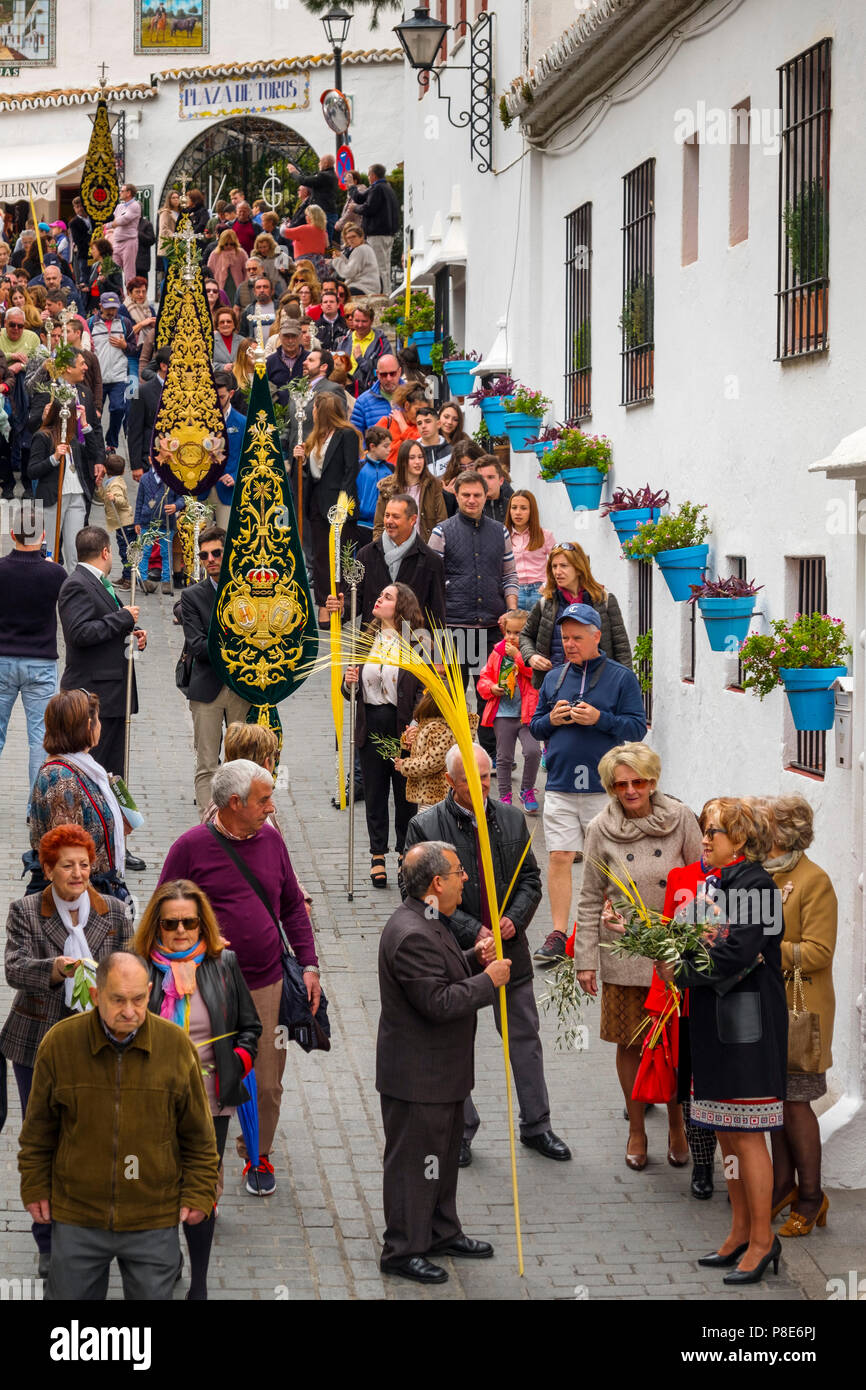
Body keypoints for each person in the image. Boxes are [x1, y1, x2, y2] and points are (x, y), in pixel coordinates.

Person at [159, 760, 321, 1197]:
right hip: (208, 988)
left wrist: (309, 965)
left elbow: (291, 904)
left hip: (268, 984)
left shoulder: (271, 840)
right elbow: (163, 911)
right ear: (234, 803)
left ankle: (258, 1152)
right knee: (206, 1080)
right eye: (264, 799)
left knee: (267, 1082)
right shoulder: (190, 847)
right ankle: (198, 1165)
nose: (272, 807)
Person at [19, 950, 220, 1301]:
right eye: (118, 1000)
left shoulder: (175, 1047)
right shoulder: (60, 1044)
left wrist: (200, 1191)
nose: (130, 1011)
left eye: (139, 999)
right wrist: (34, 1184)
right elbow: (38, 1130)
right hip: (77, 1215)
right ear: (96, 996)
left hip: (153, 1217)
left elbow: (200, 1137)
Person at [404, 745, 571, 1166]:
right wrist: (474, 931)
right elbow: (418, 895)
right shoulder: (425, 827)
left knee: (525, 1040)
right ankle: (461, 1129)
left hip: (509, 952)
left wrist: (511, 922)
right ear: (449, 782)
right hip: (453, 954)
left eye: (484, 777)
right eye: (470, 780)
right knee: (455, 1046)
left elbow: (530, 880)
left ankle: (537, 1125)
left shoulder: (513, 817)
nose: (481, 786)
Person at [658, 798, 787, 1285]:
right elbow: (696, 935)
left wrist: (681, 970)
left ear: (743, 839)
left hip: (747, 1031)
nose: (705, 839)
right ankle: (737, 1233)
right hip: (716, 1025)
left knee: (749, 1136)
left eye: (714, 832)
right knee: (727, 1134)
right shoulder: (720, 882)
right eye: (704, 830)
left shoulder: (757, 885)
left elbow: (737, 953)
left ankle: (761, 1241)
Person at [1, 824, 132, 1274]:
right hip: (35, 1042)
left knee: (94, 1137)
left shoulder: (114, 911)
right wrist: (55, 969)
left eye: (84, 864)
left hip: (100, 1043)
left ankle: (91, 1231)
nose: (78, 873)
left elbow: (131, 967)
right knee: (44, 1137)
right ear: (49, 869)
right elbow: (15, 970)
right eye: (67, 865)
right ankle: (48, 1241)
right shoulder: (25, 911)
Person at [377, 840, 509, 1283]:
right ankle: (402, 1249)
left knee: (443, 1155)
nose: (465, 879)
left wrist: (474, 959)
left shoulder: (429, 918)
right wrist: (488, 981)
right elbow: (436, 1000)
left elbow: (442, 971)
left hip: (441, 1073)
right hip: (418, 1076)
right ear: (437, 883)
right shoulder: (412, 932)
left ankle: (439, 1230)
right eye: (458, 873)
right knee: (415, 1161)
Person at [574, 743, 703, 1170]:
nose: (631, 791)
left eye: (639, 782)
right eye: (621, 783)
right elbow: (591, 898)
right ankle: (635, 1127)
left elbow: (703, 883)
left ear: (653, 781)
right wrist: (586, 960)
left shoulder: (681, 818)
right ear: (611, 787)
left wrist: (691, 941)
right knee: (630, 1044)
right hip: (624, 956)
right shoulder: (599, 827)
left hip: (672, 955)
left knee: (673, 1045)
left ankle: (676, 1124)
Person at [134, 880, 262, 1299]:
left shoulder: (224, 963)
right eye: (170, 924)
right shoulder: (138, 968)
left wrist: (235, 1065)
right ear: (157, 926)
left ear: (201, 922)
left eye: (189, 922)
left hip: (210, 1101)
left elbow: (250, 1028)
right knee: (158, 1185)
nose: (181, 931)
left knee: (200, 1188)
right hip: (152, 1101)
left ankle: (201, 1284)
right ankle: (166, 1261)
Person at [529, 602, 646, 964]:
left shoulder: (621, 677)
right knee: (560, 856)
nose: (569, 643)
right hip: (561, 784)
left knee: (607, 862)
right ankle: (559, 934)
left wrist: (600, 718)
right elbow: (534, 726)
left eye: (577, 637)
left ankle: (606, 925)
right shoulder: (554, 676)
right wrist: (553, 718)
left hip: (603, 788)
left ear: (597, 636)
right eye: (565, 637)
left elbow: (637, 728)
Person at [765, 795, 837, 1238]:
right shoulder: (764, 874)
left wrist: (766, 950)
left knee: (796, 1103)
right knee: (776, 1104)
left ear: (783, 832)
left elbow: (819, 951)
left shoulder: (814, 880)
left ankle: (812, 1197)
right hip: (770, 1006)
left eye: (765, 824)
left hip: (802, 1011)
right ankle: (781, 1187)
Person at [428, 470, 519, 762]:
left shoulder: (500, 531)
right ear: (456, 495)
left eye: (477, 495)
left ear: (486, 496)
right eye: (465, 494)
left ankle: (491, 755)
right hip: (453, 627)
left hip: (490, 628)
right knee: (453, 696)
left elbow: (509, 575)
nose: (471, 500)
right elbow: (431, 584)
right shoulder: (442, 532)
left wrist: (512, 612)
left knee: (489, 695)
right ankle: (453, 754)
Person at [344, 583, 426, 886]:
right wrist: (348, 681)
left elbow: (422, 689)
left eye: (387, 597)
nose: (379, 598)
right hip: (370, 723)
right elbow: (351, 690)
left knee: (404, 793)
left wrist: (415, 725)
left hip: (400, 724)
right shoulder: (366, 639)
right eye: (380, 594)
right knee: (375, 792)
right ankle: (377, 854)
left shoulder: (416, 643)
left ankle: (406, 852)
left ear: (401, 606)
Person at [58, 526, 147, 783]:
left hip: (114, 695)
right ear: (106, 551)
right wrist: (123, 618)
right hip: (95, 694)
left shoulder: (99, 583)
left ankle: (112, 820)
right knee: (95, 771)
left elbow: (107, 621)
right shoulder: (77, 585)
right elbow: (79, 633)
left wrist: (135, 631)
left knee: (112, 771)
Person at [29, 687, 136, 886]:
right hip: (78, 897)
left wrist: (114, 825)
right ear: (89, 725)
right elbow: (68, 858)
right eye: (98, 719)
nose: (100, 726)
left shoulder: (84, 767)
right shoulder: (61, 778)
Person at [178, 526, 251, 810]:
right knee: (207, 762)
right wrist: (237, 639)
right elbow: (197, 646)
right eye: (204, 554)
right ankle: (209, 826)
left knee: (241, 761)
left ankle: (239, 818)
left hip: (241, 685)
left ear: (228, 552)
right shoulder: (192, 596)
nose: (210, 559)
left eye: (216, 553)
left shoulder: (248, 589)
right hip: (205, 689)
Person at [0, 510, 66, 801]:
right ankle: (36, 806)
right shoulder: (54, 573)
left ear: (12, 534)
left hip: (2, 658)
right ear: (42, 537)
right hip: (40, 661)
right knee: (40, 738)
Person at [520, 542, 632, 689]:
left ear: (579, 568)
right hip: (556, 686)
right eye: (554, 566)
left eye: (564, 566)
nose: (557, 572)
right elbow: (525, 635)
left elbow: (621, 646)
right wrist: (531, 656)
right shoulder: (546, 602)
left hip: (599, 684)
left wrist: (627, 685)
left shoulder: (604, 599)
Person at [293, 391, 361, 622]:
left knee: (341, 558)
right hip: (317, 506)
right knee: (321, 557)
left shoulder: (347, 435)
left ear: (321, 411)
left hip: (339, 506)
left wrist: (343, 503)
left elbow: (351, 470)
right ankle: (323, 603)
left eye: (314, 408)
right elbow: (308, 475)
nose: (312, 411)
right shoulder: (314, 438)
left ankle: (341, 604)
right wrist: (299, 459)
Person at [476, 608, 541, 811]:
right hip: (503, 713)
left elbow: (535, 674)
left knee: (533, 751)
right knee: (503, 758)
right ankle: (505, 798)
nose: (512, 637)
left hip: (527, 715)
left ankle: (527, 790)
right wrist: (491, 688)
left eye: (518, 633)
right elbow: (484, 677)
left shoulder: (532, 653)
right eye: (509, 632)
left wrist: (519, 656)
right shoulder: (497, 652)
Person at [355, 493, 446, 627]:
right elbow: (355, 597)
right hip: (371, 641)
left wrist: (436, 646)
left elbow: (437, 613)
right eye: (387, 515)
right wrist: (341, 607)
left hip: (413, 642)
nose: (389, 521)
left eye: (396, 517)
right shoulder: (366, 554)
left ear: (412, 520)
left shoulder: (431, 561)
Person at [27, 397, 96, 571]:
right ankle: (46, 585)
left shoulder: (72, 438)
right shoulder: (42, 436)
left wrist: (85, 424)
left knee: (75, 550)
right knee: (49, 548)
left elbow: (93, 453)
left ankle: (73, 589)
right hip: (53, 497)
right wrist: (54, 458)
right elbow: (32, 470)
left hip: (77, 497)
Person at [394, 690, 479, 809]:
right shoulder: (444, 726)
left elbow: (432, 762)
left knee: (428, 824)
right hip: (435, 795)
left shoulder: (439, 729)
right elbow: (433, 751)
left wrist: (406, 765)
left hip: (435, 794)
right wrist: (411, 744)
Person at [372, 438, 447, 543]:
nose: (418, 462)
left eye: (420, 457)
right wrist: (379, 553)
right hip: (394, 549)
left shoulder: (434, 486)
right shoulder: (387, 488)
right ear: (403, 462)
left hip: (425, 549)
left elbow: (442, 523)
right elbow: (379, 526)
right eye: (412, 458)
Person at [88, 292, 129, 450]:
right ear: (100, 306)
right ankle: (96, 445)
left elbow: (134, 348)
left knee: (119, 408)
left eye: (114, 308)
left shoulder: (125, 322)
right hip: (98, 378)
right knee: (95, 413)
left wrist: (125, 346)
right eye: (108, 308)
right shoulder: (91, 323)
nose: (111, 312)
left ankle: (111, 443)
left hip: (118, 376)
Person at [349, 164, 400, 292]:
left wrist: (355, 208)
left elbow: (369, 208)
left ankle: (382, 294)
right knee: (385, 266)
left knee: (379, 266)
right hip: (388, 233)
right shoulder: (387, 188)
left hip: (377, 233)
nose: (368, 176)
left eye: (369, 174)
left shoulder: (377, 189)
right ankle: (386, 292)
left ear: (373, 175)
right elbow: (361, 198)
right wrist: (352, 187)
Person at [133, 461, 181, 595]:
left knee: (166, 553)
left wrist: (175, 506)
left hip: (166, 523)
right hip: (147, 521)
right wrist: (137, 521)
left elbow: (182, 498)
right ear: (150, 459)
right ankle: (142, 579)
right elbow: (139, 501)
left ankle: (166, 581)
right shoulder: (145, 478)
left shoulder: (172, 478)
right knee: (145, 552)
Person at [506, 489, 556, 610]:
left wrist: (547, 584)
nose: (518, 512)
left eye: (523, 508)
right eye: (514, 507)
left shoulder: (545, 535)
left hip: (540, 591)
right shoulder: (502, 536)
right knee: (517, 628)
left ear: (531, 511)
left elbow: (558, 562)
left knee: (541, 628)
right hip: (515, 592)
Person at [126, 345, 169, 481]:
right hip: (151, 459)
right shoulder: (144, 391)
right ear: (163, 366)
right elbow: (135, 430)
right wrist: (136, 465)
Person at [95, 451, 137, 590]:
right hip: (120, 523)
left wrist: (115, 499)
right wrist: (100, 486)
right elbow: (103, 498)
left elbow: (122, 502)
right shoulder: (111, 482)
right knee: (124, 550)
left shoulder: (115, 485)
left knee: (127, 551)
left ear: (106, 470)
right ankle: (126, 575)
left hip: (124, 523)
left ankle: (130, 578)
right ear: (124, 471)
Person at [286, 154, 341, 241]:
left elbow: (304, 181)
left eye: (320, 162)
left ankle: (328, 254)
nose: (318, 164)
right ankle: (327, 254)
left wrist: (293, 172)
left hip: (324, 214)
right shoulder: (331, 175)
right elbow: (309, 181)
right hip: (328, 213)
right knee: (325, 240)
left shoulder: (324, 176)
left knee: (324, 241)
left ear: (326, 163)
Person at [338, 302, 389, 395]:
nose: (360, 325)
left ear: (372, 321)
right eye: (357, 321)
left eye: (364, 321)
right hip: (346, 392)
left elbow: (383, 372)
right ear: (352, 320)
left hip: (370, 392)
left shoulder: (381, 342)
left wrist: (360, 360)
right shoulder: (344, 342)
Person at [355, 425, 393, 538]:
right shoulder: (358, 467)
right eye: (385, 446)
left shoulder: (392, 469)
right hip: (361, 525)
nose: (389, 449)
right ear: (372, 446)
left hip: (384, 525)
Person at [374, 383, 426, 465]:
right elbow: (371, 449)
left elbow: (421, 446)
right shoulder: (387, 423)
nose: (421, 415)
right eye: (417, 410)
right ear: (407, 405)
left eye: (424, 410)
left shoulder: (422, 427)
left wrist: (402, 424)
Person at [350, 353, 403, 432]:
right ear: (377, 374)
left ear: (399, 372)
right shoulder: (362, 402)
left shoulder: (413, 396)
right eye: (384, 375)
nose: (388, 378)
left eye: (392, 374)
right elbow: (357, 436)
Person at [105, 182, 141, 289]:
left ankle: (131, 298)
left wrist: (110, 225)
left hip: (129, 241)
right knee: (113, 271)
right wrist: (112, 225)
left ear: (129, 193)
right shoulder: (119, 206)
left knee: (129, 272)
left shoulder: (135, 205)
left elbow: (123, 220)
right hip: (117, 242)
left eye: (122, 191)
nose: (120, 193)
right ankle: (118, 295)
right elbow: (116, 220)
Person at [331, 222, 381, 297]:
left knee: (336, 296)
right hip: (369, 287)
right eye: (348, 238)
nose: (351, 240)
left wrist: (336, 260)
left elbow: (348, 272)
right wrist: (341, 257)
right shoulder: (365, 248)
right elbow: (354, 267)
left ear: (361, 237)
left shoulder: (360, 250)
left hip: (363, 287)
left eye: (353, 237)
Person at [266, 317, 307, 402]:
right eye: (286, 336)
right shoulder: (269, 362)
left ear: (300, 336)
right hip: (278, 411)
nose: (290, 340)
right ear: (280, 336)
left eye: (294, 336)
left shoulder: (310, 359)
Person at [441, 439, 484, 516]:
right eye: (462, 467)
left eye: (471, 465)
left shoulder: (492, 477)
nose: (467, 470)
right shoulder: (450, 484)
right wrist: (448, 496)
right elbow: (446, 519)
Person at [123, 276, 158, 370]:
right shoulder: (123, 309)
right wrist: (142, 323)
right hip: (131, 355)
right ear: (129, 293)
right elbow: (124, 333)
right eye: (137, 292)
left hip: (148, 354)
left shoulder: (150, 309)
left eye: (144, 291)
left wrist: (155, 326)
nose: (141, 295)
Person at [207, 228, 247, 303]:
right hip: (219, 287)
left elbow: (246, 270)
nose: (228, 246)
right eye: (226, 244)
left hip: (237, 287)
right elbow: (210, 271)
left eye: (231, 244)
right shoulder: (215, 254)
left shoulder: (241, 253)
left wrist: (244, 286)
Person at [415, 401, 452, 477]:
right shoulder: (411, 452)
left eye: (428, 421)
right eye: (419, 423)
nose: (423, 426)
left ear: (438, 424)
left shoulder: (451, 451)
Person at [477, 453, 514, 525]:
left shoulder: (513, 507)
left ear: (501, 481)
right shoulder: (468, 510)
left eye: (490, 477)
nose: (485, 482)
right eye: (481, 478)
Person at [238, 274, 276, 340]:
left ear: (272, 291)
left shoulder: (280, 307)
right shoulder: (248, 311)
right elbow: (243, 335)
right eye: (258, 287)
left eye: (265, 287)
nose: (262, 290)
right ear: (254, 292)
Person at [313, 286, 348, 352]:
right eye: (325, 302)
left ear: (338, 305)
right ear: (321, 306)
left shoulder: (346, 324)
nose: (328, 304)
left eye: (331, 302)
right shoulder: (314, 326)